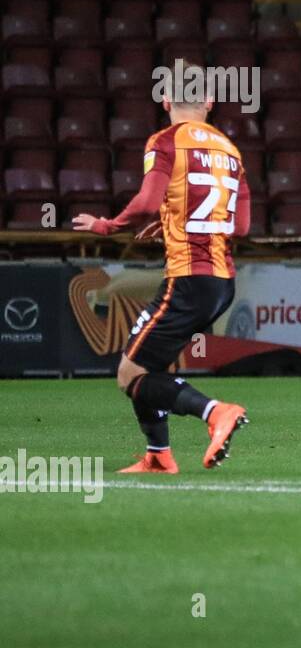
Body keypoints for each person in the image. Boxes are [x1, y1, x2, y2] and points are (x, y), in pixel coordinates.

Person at [72, 93, 250, 475]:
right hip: (222, 281)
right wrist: (177, 220)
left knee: (129, 375)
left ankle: (215, 412)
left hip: (188, 278)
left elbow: (147, 203)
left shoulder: (165, 140)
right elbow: (242, 226)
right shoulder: (231, 150)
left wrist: (108, 225)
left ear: (166, 100)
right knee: (147, 368)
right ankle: (158, 455)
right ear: (209, 100)